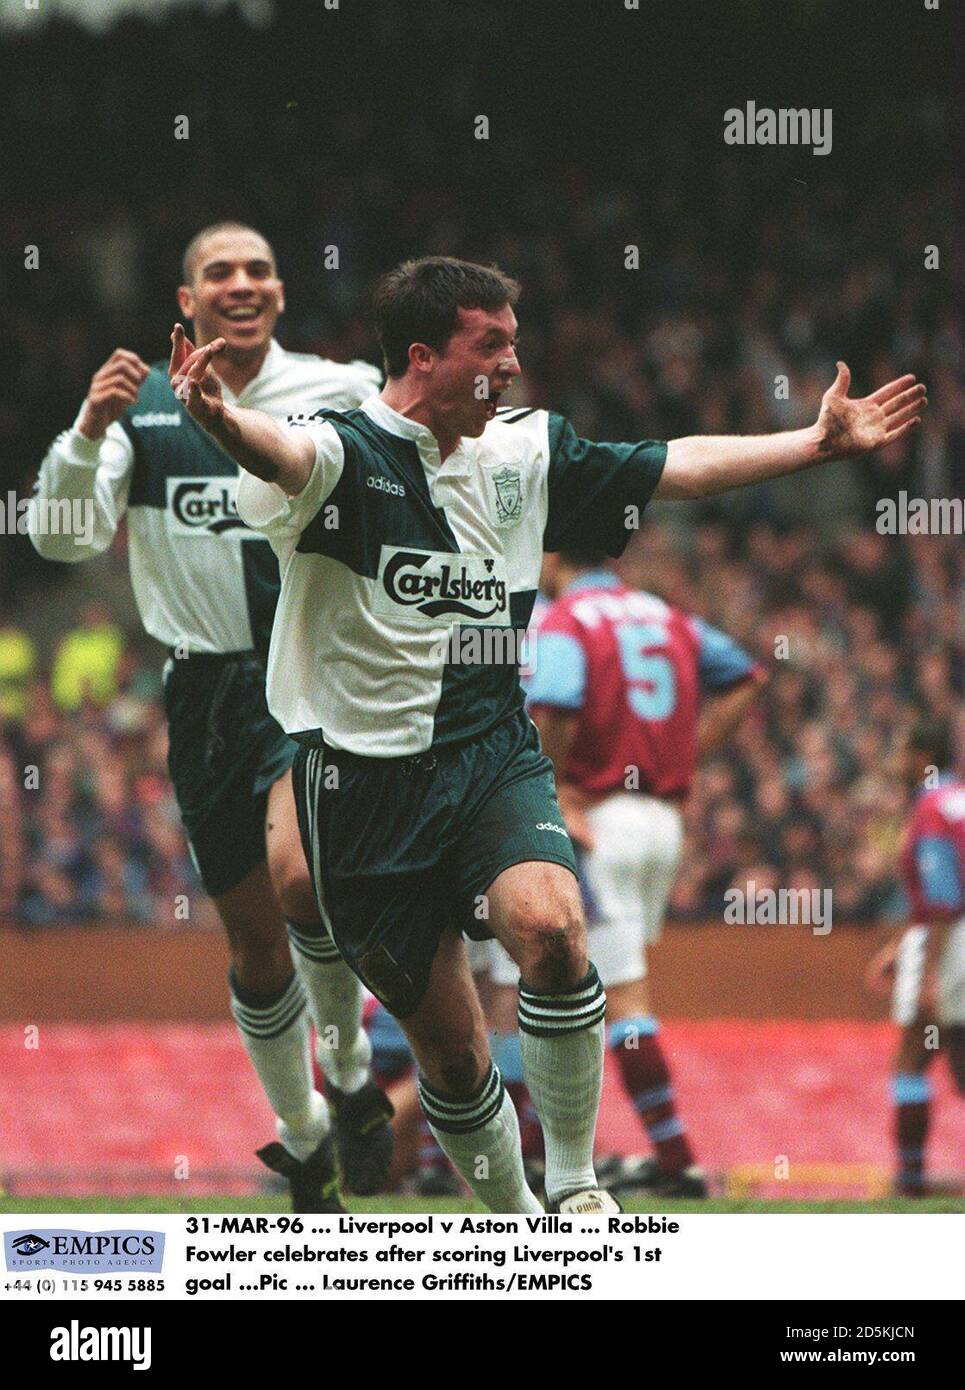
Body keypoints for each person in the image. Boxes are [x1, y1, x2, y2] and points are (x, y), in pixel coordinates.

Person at [170, 253, 926, 1215]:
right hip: (358, 790)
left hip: (491, 756)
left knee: (556, 934)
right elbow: (279, 451)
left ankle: (572, 1189)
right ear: (425, 356)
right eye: (493, 347)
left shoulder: (524, 450)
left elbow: (670, 463)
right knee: (450, 1056)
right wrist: (220, 419)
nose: (514, 367)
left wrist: (809, 444)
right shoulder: (342, 451)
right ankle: (518, 1222)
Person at [30, 222, 392, 1212]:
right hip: (200, 695)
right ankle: (307, 1133)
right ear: (186, 300)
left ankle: (352, 1062)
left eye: (259, 270)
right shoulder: (141, 399)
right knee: (253, 943)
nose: (242, 283)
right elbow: (62, 541)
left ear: (279, 292)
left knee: (300, 877)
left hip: (303, 680)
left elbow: (428, 459)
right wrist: (88, 433)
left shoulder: (341, 388)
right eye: (219, 273)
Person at [488, 550, 765, 1197]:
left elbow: (553, 704)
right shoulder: (667, 617)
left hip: (595, 820)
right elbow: (747, 677)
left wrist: (550, 788)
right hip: (659, 820)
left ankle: (669, 1160)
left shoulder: (565, 619)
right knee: (601, 982)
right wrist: (686, 754)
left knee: (551, 988)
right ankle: (545, 1152)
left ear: (555, 556)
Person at [866, 717, 964, 1196]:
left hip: (951, 944)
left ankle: (909, 1182)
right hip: (944, 936)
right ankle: (910, 1182)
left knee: (913, 1055)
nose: (894, 763)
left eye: (901, 751)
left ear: (922, 758)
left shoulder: (929, 808)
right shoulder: (958, 801)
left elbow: (944, 897)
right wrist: (904, 945)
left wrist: (929, 971)